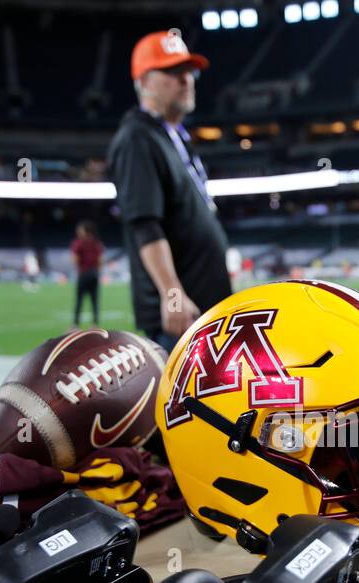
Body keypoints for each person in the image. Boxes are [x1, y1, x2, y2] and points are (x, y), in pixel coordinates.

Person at [107, 30, 231, 352]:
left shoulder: (174, 136)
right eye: (174, 72)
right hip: (179, 316)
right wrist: (172, 294)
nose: (186, 79)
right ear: (145, 81)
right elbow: (144, 223)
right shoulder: (138, 138)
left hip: (202, 307)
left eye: (189, 71)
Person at [70, 222, 104, 325]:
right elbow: (100, 261)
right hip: (94, 273)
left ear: (85, 231)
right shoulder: (97, 243)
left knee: (79, 300)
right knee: (94, 300)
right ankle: (95, 323)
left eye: (80, 230)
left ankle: (75, 324)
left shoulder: (78, 243)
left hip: (83, 273)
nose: (78, 232)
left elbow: (75, 259)